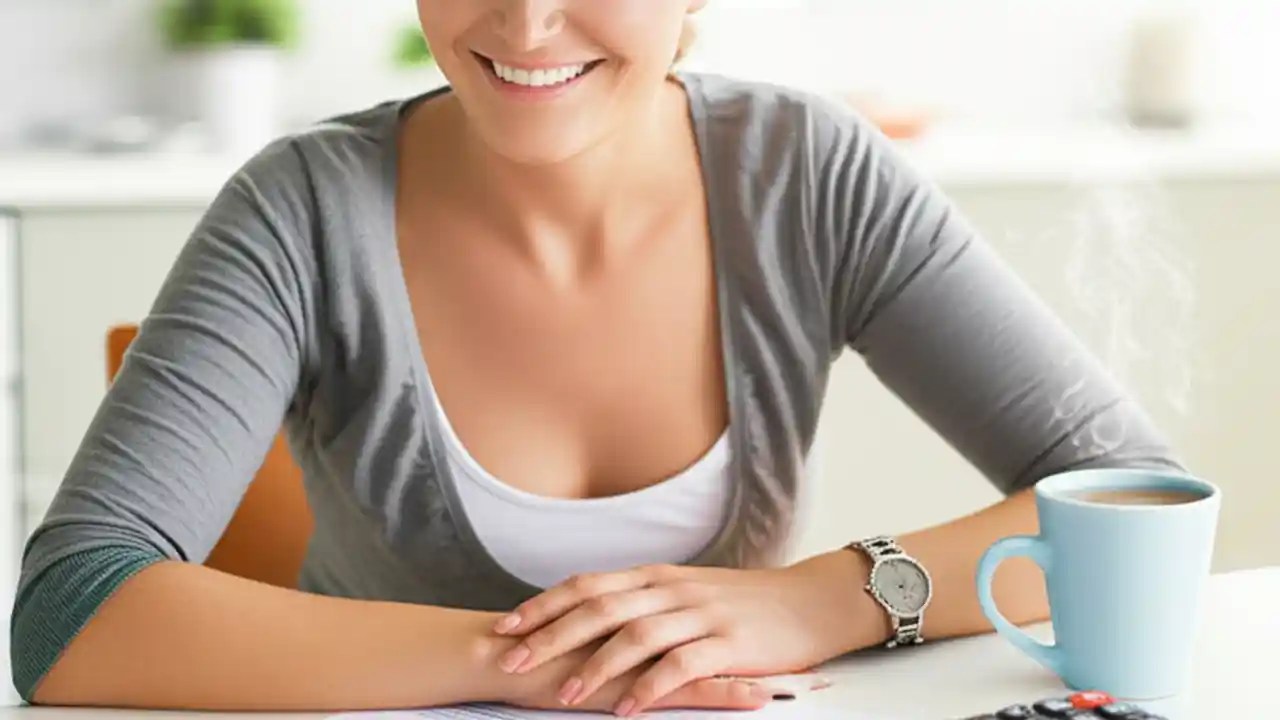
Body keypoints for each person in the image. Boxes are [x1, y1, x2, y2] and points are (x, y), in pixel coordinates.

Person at [10, 0, 1181, 715]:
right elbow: (70, 614)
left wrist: (817, 600)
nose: (524, 26)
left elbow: (1134, 503)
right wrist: (529, 663)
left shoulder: (806, 174)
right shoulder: (300, 211)